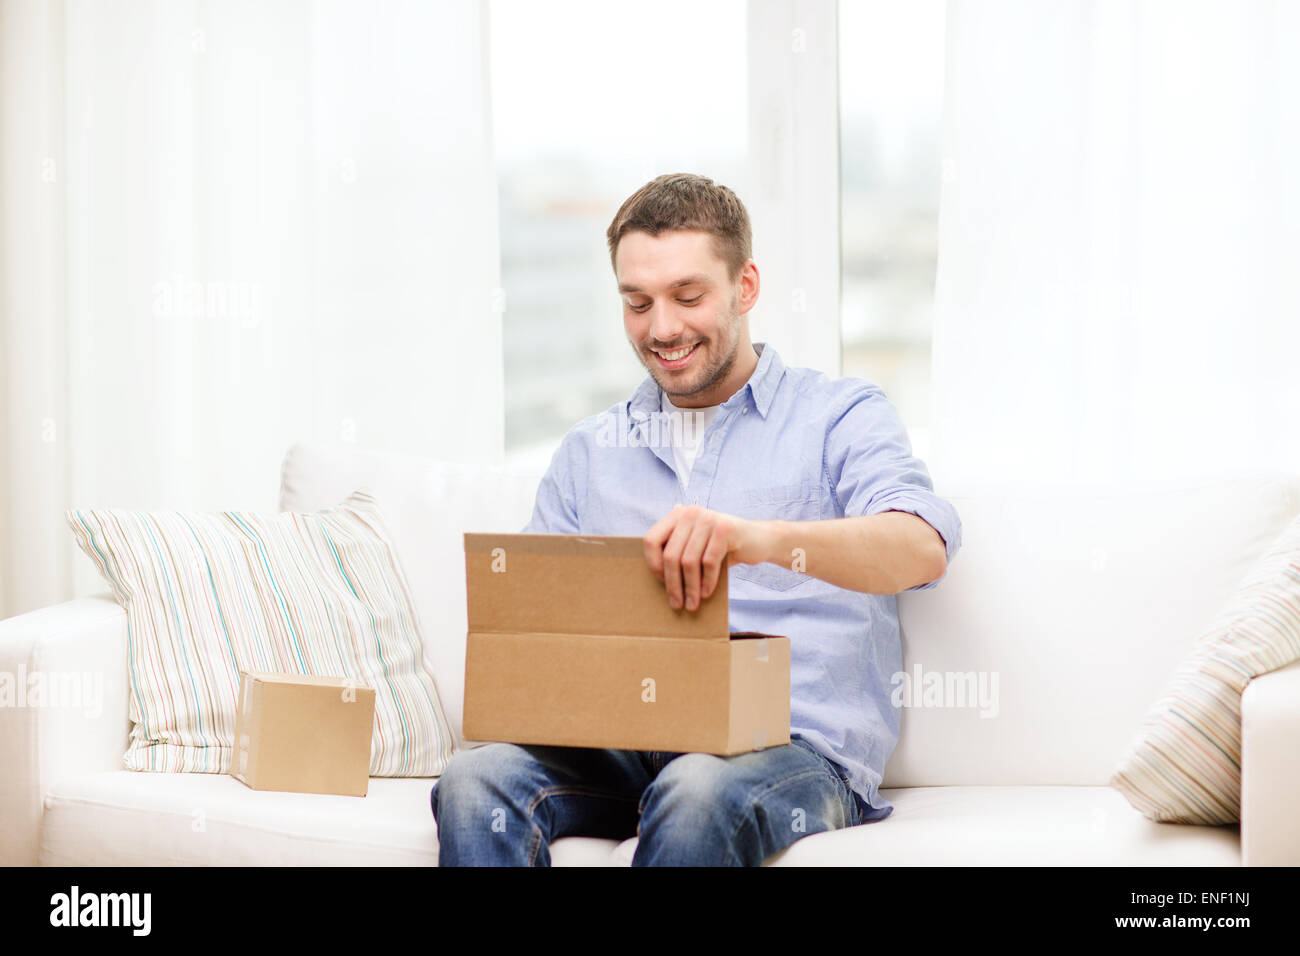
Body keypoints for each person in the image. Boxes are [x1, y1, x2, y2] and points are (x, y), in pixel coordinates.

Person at [430, 172, 962, 866]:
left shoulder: (838, 416)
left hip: (787, 751)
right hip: (620, 746)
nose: (662, 328)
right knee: (471, 779)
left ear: (745, 288)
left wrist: (759, 540)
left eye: (688, 296)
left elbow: (921, 546)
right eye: (637, 302)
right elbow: (536, 638)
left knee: (698, 785)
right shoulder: (590, 452)